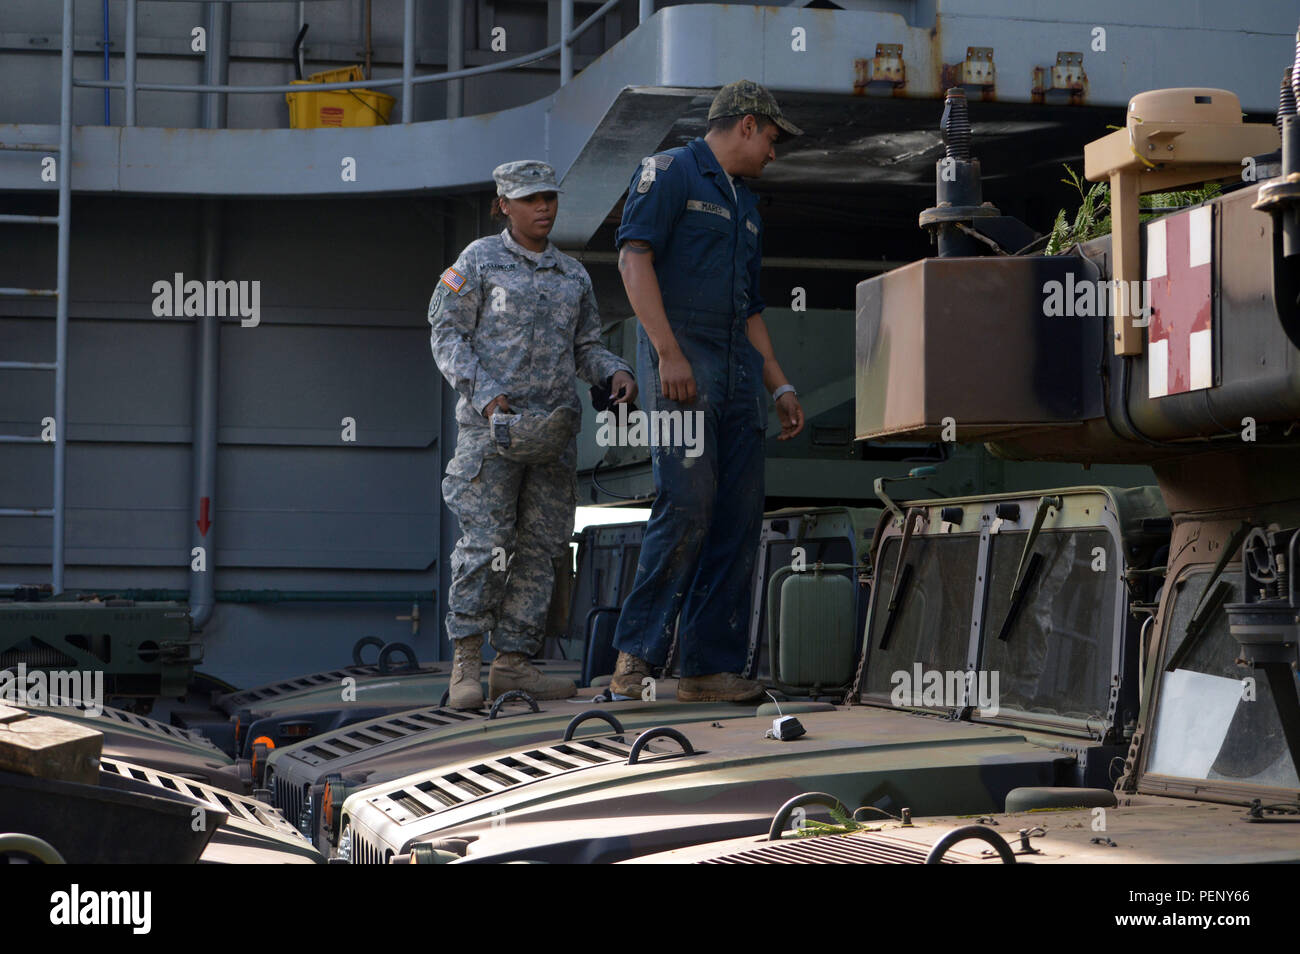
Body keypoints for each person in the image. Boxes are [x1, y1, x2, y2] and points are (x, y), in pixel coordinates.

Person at [608, 80, 807, 703]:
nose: (773, 151)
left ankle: (704, 668)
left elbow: (751, 309)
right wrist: (667, 354)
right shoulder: (670, 172)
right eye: (771, 137)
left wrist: (779, 384)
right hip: (683, 359)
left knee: (738, 515)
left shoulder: (746, 204)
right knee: (688, 503)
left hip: (737, 370)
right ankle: (635, 659)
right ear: (746, 125)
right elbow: (633, 259)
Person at [429, 160, 637, 710]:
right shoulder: (479, 261)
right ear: (504, 205)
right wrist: (486, 394)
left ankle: (513, 664)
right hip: (491, 434)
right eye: (529, 199)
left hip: (552, 437)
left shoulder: (573, 276)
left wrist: (615, 371)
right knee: (486, 544)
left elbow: (586, 347)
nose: (543, 207)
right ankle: (467, 663)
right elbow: (446, 335)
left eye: (549, 197)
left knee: (542, 550)